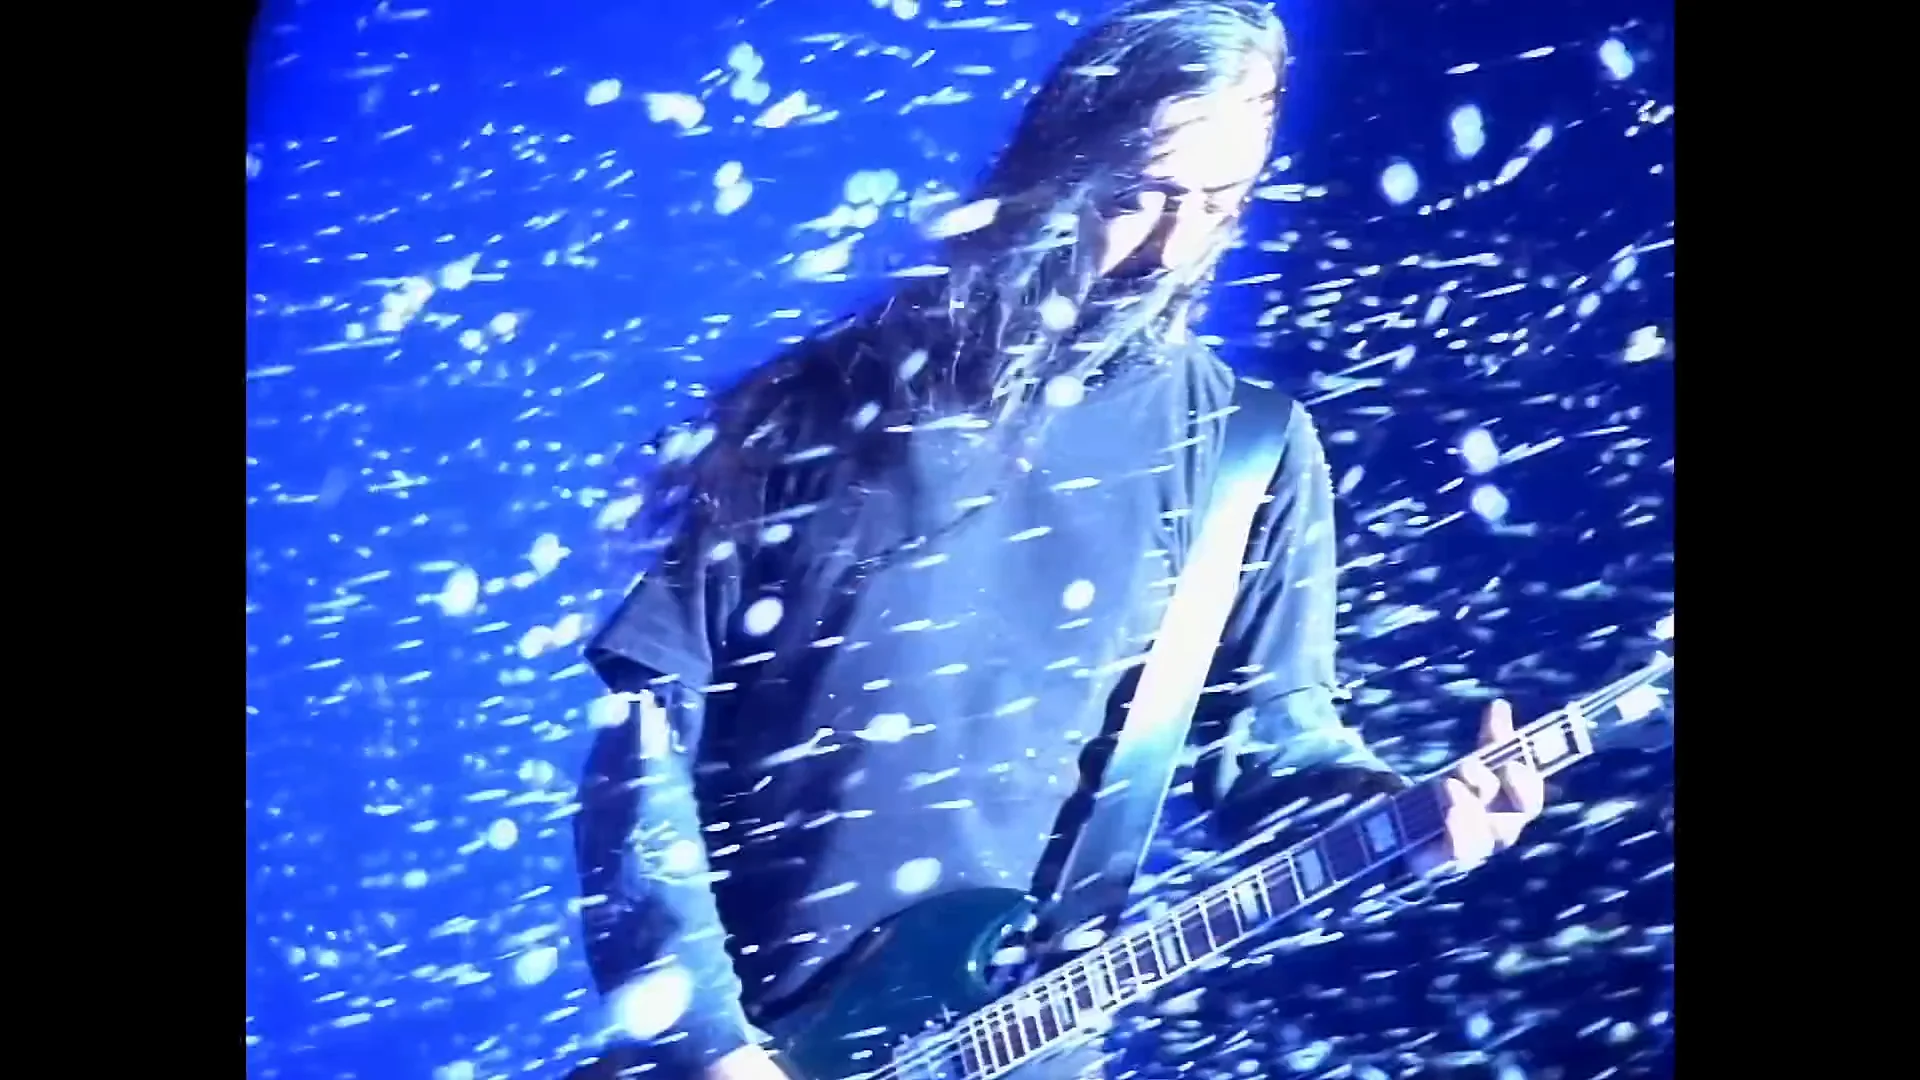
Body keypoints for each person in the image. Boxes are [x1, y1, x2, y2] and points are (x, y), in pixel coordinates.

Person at [571, 2, 1545, 1077]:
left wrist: (1408, 821)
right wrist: (709, 1044)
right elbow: (641, 753)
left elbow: (1272, 754)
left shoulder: (1250, 453)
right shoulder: (822, 405)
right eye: (1137, 197)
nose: (1171, 249)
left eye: (1219, 205)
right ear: (1056, 167)